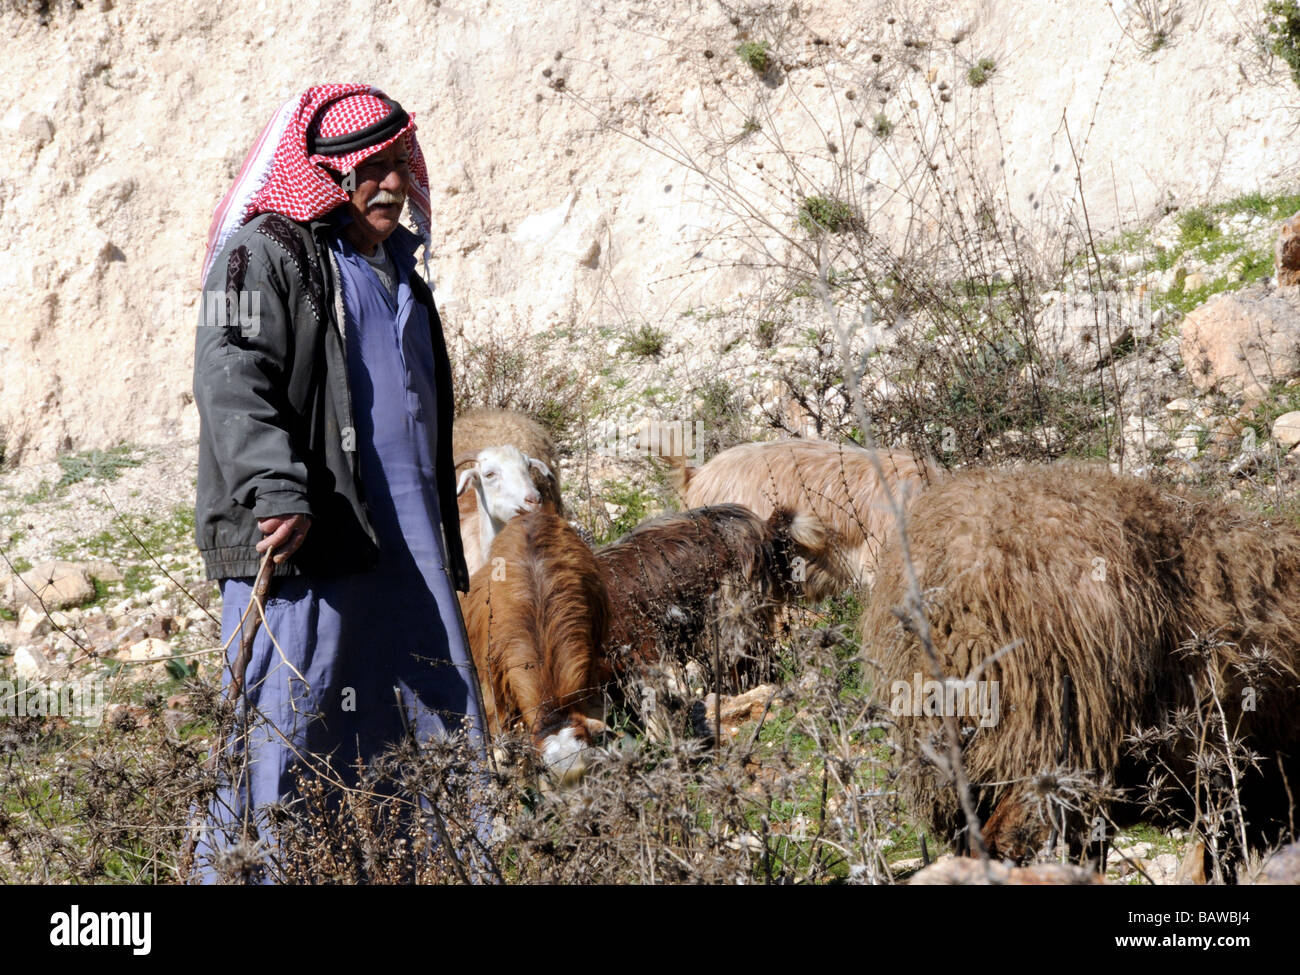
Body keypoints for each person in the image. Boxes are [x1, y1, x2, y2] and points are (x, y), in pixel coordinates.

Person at [190, 84, 485, 882]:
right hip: (307, 548)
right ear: (327, 173)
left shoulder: (402, 279)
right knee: (286, 733)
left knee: (424, 726)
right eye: (370, 168)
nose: (389, 184)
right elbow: (228, 372)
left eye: (399, 165)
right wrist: (276, 487)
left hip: (408, 556)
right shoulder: (266, 251)